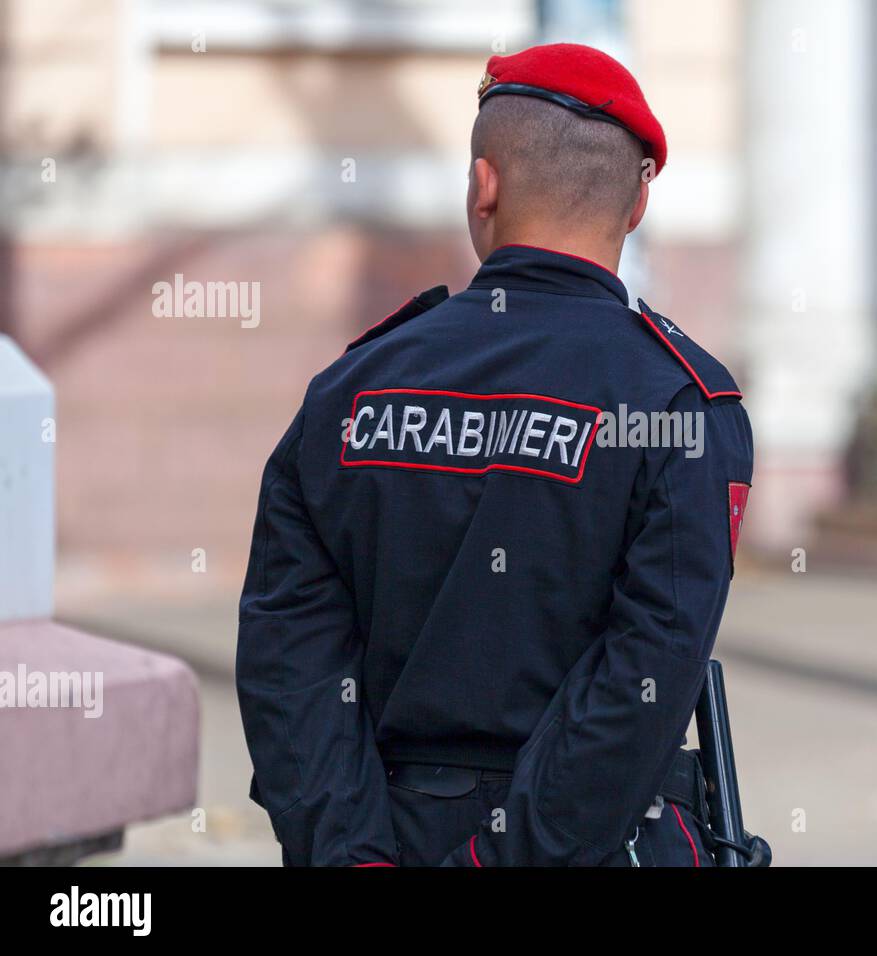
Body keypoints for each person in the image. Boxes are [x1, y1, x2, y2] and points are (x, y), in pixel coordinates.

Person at [235, 42, 753, 867]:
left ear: (484, 185)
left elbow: (286, 663)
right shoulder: (680, 402)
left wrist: (352, 853)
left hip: (382, 837)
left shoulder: (350, 390)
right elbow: (642, 679)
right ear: (636, 207)